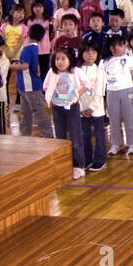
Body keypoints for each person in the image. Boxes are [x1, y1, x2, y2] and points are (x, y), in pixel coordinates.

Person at [43, 48, 87, 180]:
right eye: (57, 59)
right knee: (60, 138)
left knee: (75, 138)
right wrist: (49, 99)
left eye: (63, 59)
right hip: (57, 107)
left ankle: (79, 166)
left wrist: (76, 95)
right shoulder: (52, 72)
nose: (60, 62)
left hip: (71, 107)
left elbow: (87, 84)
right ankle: (62, 165)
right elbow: (46, 87)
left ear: (70, 60)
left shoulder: (76, 72)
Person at [104, 35, 133, 155]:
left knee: (129, 119)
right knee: (114, 120)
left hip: (127, 91)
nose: (123, 47)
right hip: (111, 92)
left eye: (124, 44)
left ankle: (132, 143)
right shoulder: (105, 61)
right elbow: (101, 80)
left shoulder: (128, 59)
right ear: (112, 48)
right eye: (120, 45)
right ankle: (115, 144)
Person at [75, 42, 106, 170]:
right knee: (84, 135)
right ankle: (87, 159)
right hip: (81, 110)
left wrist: (91, 107)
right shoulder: (77, 71)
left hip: (97, 109)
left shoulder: (100, 72)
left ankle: (100, 160)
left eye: (93, 52)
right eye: (87, 52)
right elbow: (76, 90)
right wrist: (82, 108)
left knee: (99, 135)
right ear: (81, 54)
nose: (90, 55)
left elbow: (100, 92)